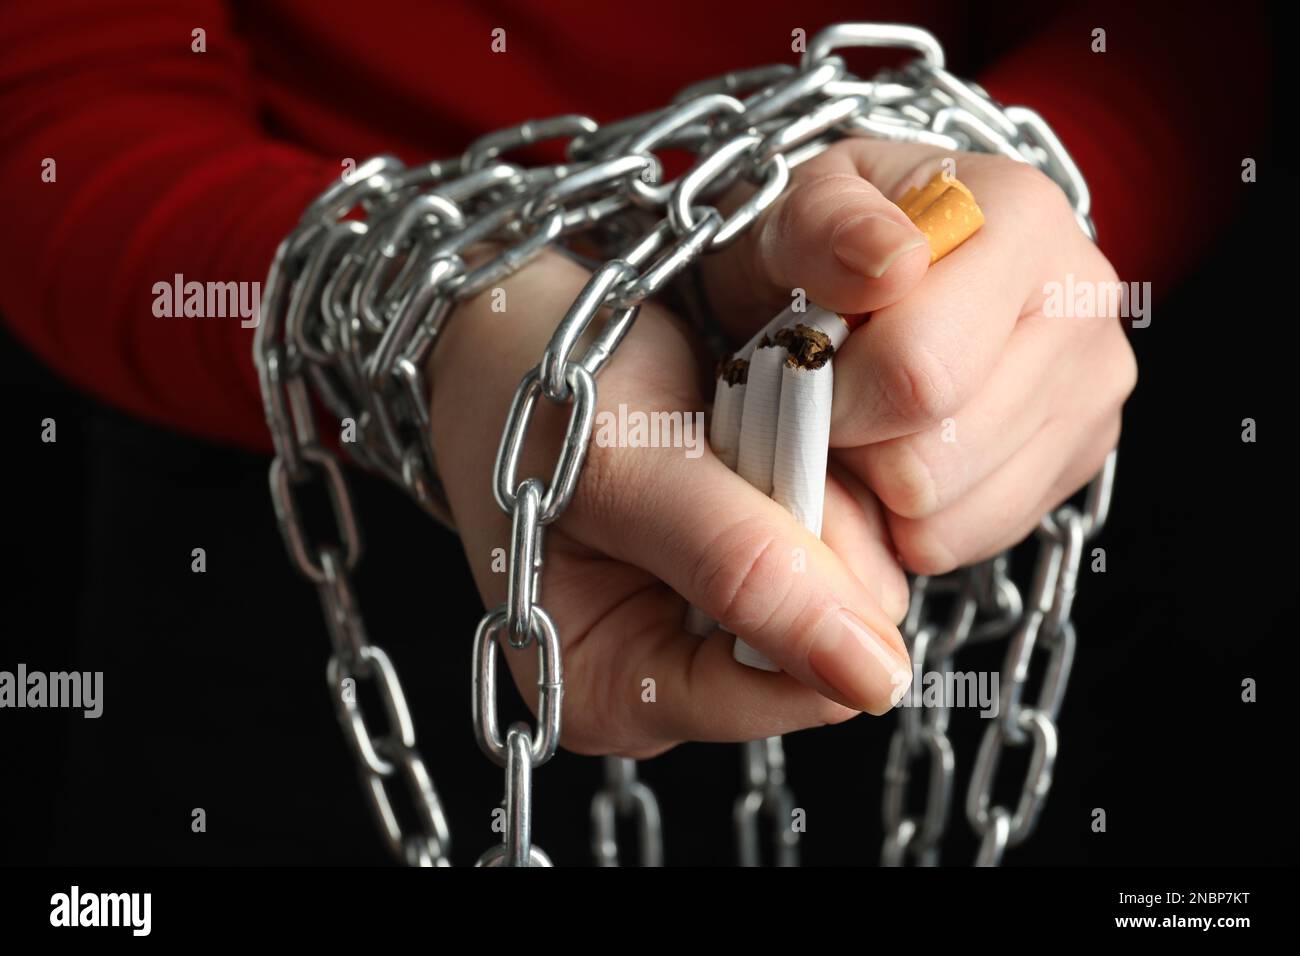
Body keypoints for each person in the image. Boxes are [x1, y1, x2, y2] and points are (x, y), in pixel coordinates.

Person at [0, 0, 1268, 766]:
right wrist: (421, 301)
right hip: (292, 453)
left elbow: (1193, 30)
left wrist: (1029, 204)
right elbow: (62, 95)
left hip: (1013, 425)